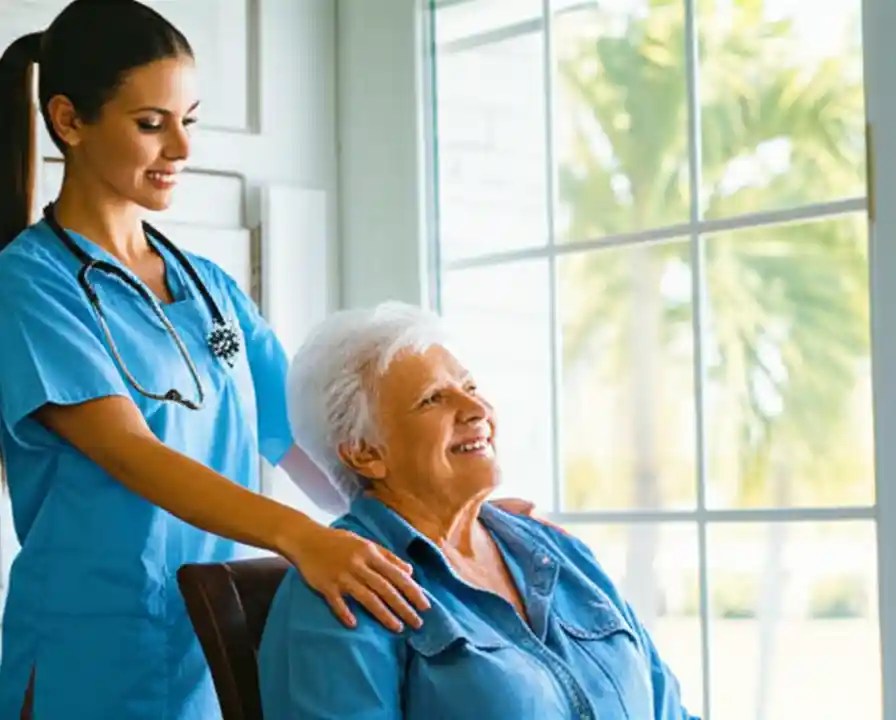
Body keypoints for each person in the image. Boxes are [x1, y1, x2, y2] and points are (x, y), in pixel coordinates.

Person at [0, 2, 536, 717]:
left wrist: (462, 527)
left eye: (189, 119)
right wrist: (302, 538)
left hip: (206, 651)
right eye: (151, 124)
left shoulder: (208, 290)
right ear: (69, 121)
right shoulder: (29, 284)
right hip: (90, 657)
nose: (182, 149)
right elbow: (131, 453)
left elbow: (305, 442)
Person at [258, 302, 697, 720]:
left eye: (469, 387)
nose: (476, 409)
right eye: (433, 399)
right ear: (365, 452)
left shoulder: (557, 551)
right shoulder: (346, 589)